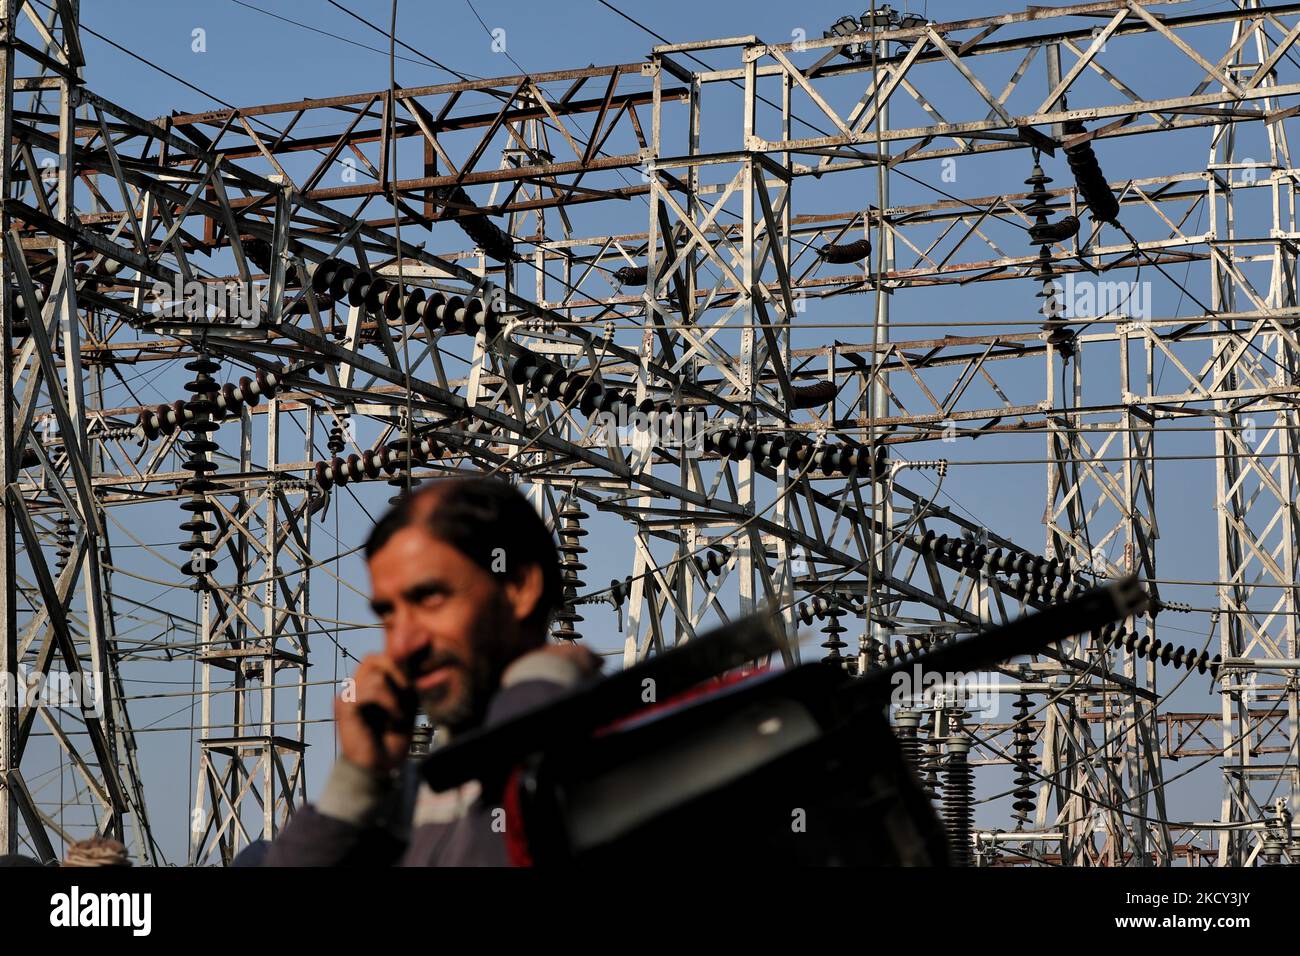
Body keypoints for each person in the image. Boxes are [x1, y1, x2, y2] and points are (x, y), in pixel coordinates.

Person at [261, 476, 602, 866]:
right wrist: (356, 782)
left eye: (430, 598)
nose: (403, 644)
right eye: (388, 614)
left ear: (519, 587)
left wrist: (540, 691)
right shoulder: (412, 802)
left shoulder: (612, 754)